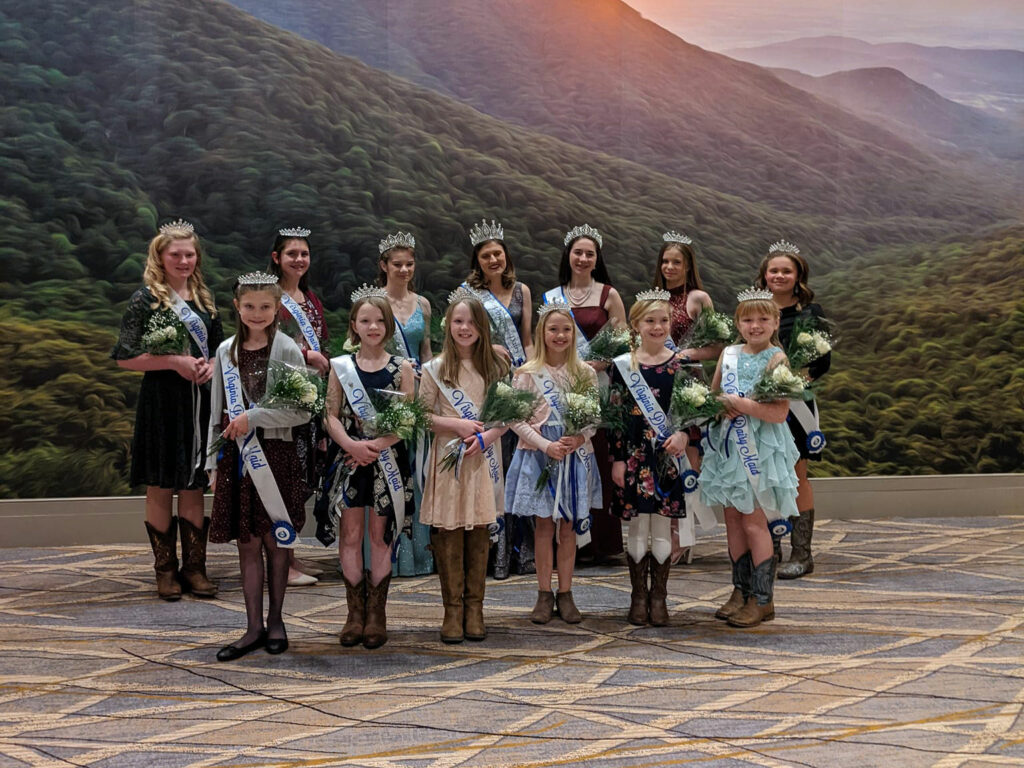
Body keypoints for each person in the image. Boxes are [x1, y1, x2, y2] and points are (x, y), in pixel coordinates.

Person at [112, 219, 221, 601]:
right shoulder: (145, 299)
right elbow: (124, 357)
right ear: (160, 256)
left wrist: (211, 367)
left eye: (190, 254)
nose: (184, 261)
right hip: (161, 401)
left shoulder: (204, 299)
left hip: (198, 401)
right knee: (160, 484)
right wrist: (174, 361)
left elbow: (219, 351)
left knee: (193, 484)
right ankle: (165, 570)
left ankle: (195, 568)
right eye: (176, 254)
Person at [207, 272, 312, 660]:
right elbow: (215, 413)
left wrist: (255, 417)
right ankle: (252, 627)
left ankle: (276, 621)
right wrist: (211, 464)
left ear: (277, 308)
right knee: (247, 542)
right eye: (249, 306)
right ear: (237, 307)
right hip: (237, 457)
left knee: (275, 539)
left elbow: (301, 412)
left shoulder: (287, 349)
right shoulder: (225, 352)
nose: (257, 313)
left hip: (277, 455)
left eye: (265, 306)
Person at [699, 287, 800, 628]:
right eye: (747, 320)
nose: (755, 326)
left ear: (775, 322)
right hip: (729, 447)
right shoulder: (728, 354)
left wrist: (740, 404)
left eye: (762, 319)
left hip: (760, 449)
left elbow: (779, 413)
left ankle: (762, 598)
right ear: (737, 323)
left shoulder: (777, 359)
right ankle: (739, 590)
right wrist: (717, 407)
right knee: (733, 520)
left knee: (755, 522)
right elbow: (714, 397)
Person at [323, 286, 415, 650]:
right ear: (354, 325)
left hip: (386, 460)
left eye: (379, 321)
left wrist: (376, 445)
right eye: (365, 320)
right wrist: (351, 445)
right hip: (349, 460)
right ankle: (354, 614)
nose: (373, 327)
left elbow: (408, 420)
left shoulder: (402, 368)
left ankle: (377, 614)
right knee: (350, 535)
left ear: (388, 325)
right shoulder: (340, 367)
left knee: (379, 536)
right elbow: (330, 415)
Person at [420, 288, 509, 643]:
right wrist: (455, 425)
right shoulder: (435, 368)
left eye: (472, 322)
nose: (465, 328)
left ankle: (475, 609)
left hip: (483, 457)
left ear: (482, 327)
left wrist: (487, 437)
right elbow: (422, 416)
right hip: (449, 460)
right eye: (458, 321)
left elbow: (506, 416)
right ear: (448, 325)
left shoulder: (496, 367)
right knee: (450, 530)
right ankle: (452, 611)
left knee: (479, 530)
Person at [505, 300, 601, 624]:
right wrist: (545, 444)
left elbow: (593, 419)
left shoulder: (585, 373)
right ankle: (544, 594)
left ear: (573, 334)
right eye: (553, 329)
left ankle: (566, 593)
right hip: (539, 455)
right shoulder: (526, 373)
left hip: (574, 456)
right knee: (544, 526)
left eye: (566, 330)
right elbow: (515, 419)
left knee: (569, 527)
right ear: (541, 332)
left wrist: (580, 438)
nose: (560, 335)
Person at [542, 225, 627, 565]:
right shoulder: (552, 296)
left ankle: (601, 542)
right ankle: (570, 542)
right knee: (565, 453)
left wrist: (598, 364)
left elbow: (622, 344)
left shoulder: (609, 295)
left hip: (598, 384)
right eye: (578, 252)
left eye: (589, 253)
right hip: (559, 387)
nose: (583, 258)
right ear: (568, 256)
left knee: (597, 457)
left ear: (597, 259)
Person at [609, 290, 691, 627]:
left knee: (661, 525)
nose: (657, 327)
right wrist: (617, 459)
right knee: (637, 526)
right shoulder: (623, 365)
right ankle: (638, 596)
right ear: (636, 325)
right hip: (634, 457)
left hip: (666, 459)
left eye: (663, 320)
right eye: (650, 321)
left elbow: (691, 412)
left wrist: (684, 435)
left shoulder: (681, 365)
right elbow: (615, 415)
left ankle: (659, 596)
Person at [463, 219, 534, 579]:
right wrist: (488, 346)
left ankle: (523, 552)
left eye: (498, 254)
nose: (493, 260)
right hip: (487, 381)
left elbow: (528, 339)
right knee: (494, 465)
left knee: (521, 463)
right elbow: (462, 335)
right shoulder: (469, 294)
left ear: (506, 256)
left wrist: (533, 374)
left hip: (518, 380)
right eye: (486, 256)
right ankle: (495, 554)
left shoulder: (522, 291)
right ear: (477, 261)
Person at [756, 240, 830, 579]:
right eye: (774, 270)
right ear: (764, 275)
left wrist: (790, 382)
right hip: (759, 403)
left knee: (797, 476)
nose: (779, 275)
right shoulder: (754, 309)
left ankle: (802, 554)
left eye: (786, 271)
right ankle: (769, 549)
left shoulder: (810, 314)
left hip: (795, 404)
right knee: (766, 476)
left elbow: (822, 361)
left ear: (798, 276)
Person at [269, 226, 330, 587]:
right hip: (282, 398)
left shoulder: (311, 299)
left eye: (304, 254)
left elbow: (324, 342)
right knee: (284, 478)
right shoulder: (269, 296)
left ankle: (290, 555)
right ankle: (282, 562)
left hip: (311, 397)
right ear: (277, 258)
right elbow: (264, 342)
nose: (299, 260)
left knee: (303, 478)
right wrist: (306, 356)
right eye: (292, 254)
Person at [653, 231, 717, 566]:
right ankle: (667, 531)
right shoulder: (653, 299)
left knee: (688, 462)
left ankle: (684, 536)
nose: (669, 267)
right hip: (656, 387)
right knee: (663, 461)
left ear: (688, 265)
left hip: (688, 386)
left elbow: (718, 345)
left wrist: (688, 353)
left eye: (676, 262)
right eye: (665, 261)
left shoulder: (698, 298)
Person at [377, 231, 434, 577]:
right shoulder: (374, 301)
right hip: (386, 393)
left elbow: (426, 350)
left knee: (415, 469)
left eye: (409, 264)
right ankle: (384, 554)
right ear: (384, 265)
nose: (404, 270)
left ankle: (417, 555)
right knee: (388, 471)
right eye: (397, 264)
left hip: (417, 392)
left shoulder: (423, 304)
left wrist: (429, 377)